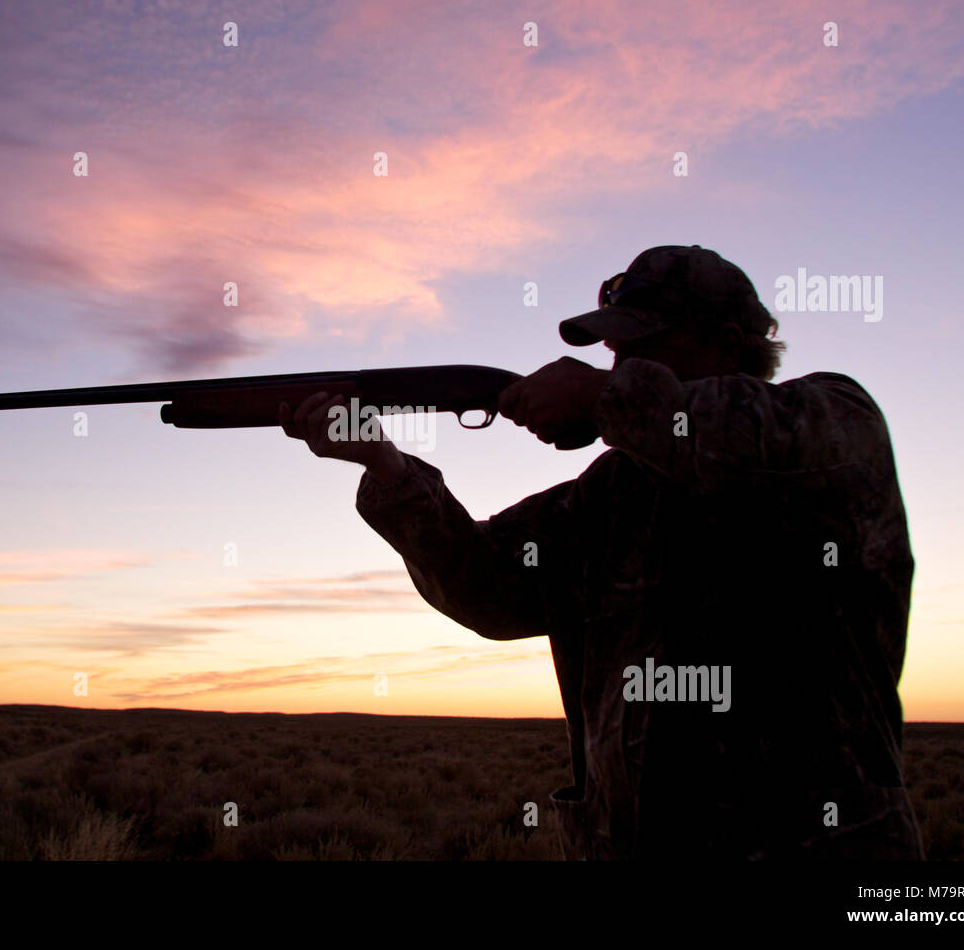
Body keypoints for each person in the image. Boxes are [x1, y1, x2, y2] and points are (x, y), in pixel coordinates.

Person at [279, 245, 925, 860]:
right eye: (616, 355)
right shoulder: (610, 494)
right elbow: (487, 589)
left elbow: (743, 439)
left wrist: (596, 399)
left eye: (644, 349)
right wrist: (384, 464)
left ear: (726, 344)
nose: (620, 370)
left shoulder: (833, 422)